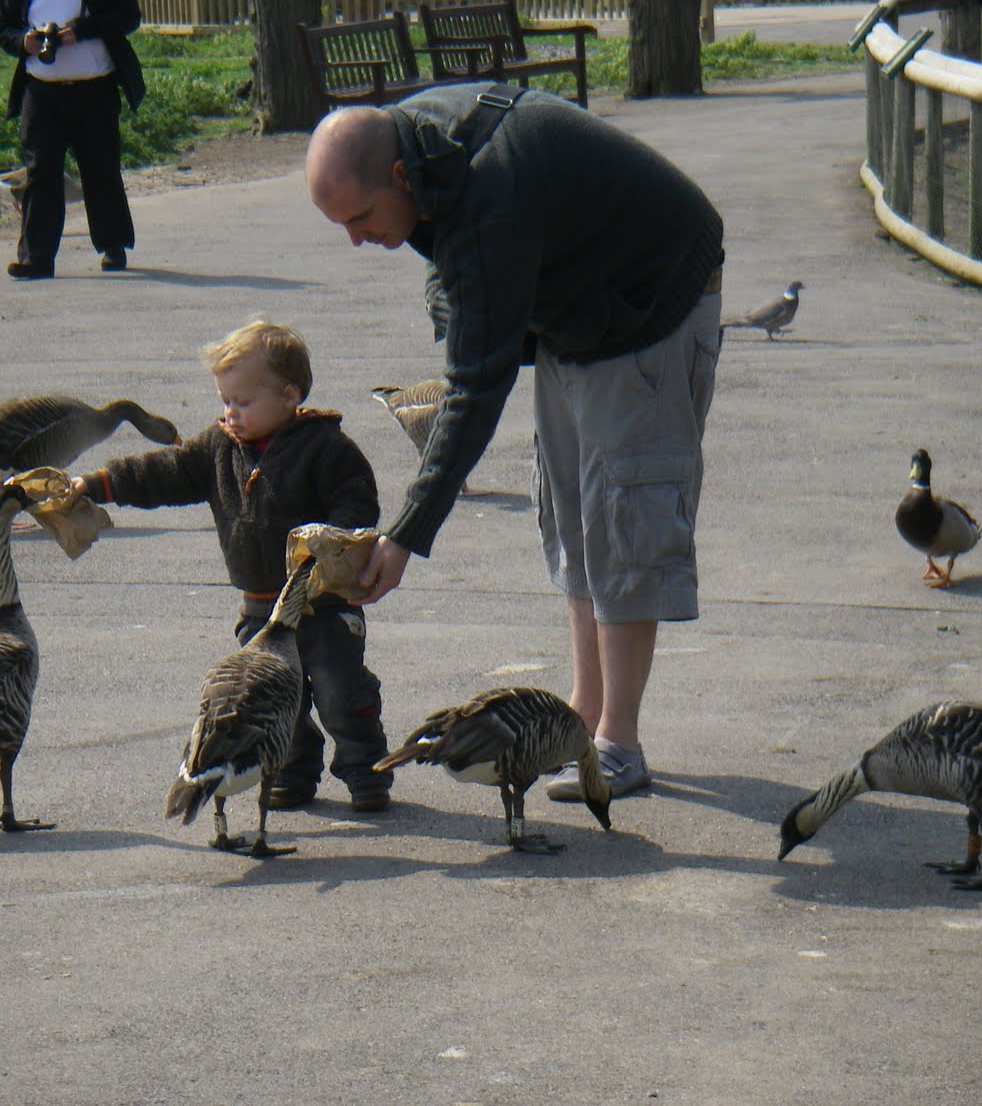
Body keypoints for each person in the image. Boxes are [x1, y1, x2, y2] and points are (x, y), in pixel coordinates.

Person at [303, 83, 724, 800]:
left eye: (363, 217)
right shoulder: (420, 148)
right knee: (570, 514)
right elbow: (453, 276)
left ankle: (616, 742)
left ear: (398, 177)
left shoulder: (488, 193)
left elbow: (474, 385)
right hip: (576, 302)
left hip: (648, 301)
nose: (357, 239)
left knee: (622, 518)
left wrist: (406, 534)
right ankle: (582, 717)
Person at [73, 319, 394, 812]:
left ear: (288, 396)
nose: (230, 412)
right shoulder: (218, 448)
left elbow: (358, 503)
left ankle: (365, 769)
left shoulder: (328, 449)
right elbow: (164, 473)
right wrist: (100, 484)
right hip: (260, 610)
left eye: (242, 402)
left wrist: (336, 541)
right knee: (273, 703)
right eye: (225, 401)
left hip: (323, 606)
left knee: (338, 691)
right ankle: (291, 770)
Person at [0, 0, 144, 280]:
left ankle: (113, 246)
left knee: (100, 168)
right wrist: (23, 41)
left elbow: (129, 16)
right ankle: (36, 258)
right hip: (42, 92)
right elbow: (1, 27)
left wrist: (83, 30)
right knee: (40, 171)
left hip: (95, 88)